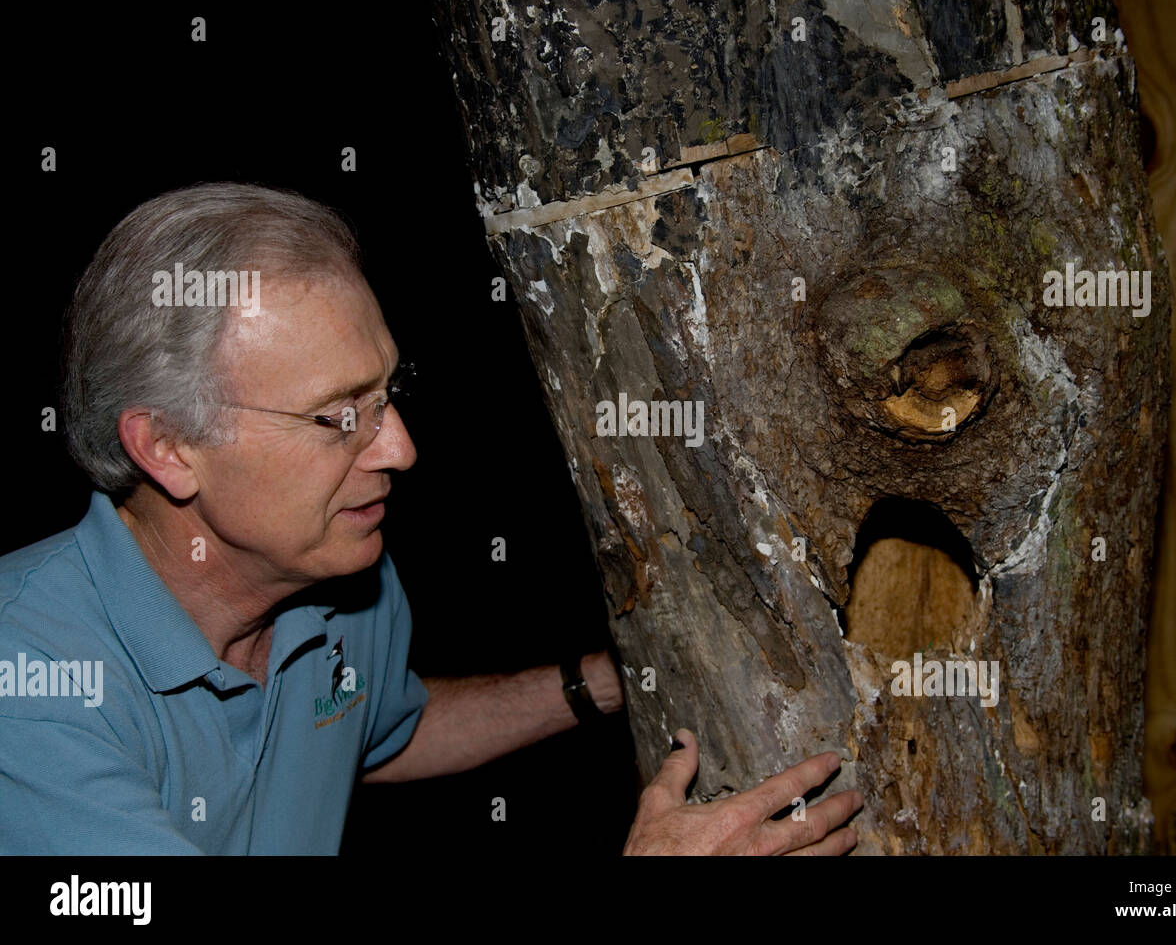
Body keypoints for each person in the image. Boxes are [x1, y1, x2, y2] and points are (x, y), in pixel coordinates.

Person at [0, 183, 862, 855]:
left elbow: (374, 727)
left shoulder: (343, 577)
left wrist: (610, 677)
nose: (400, 449)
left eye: (387, 395)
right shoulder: (29, 686)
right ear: (167, 447)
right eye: (337, 415)